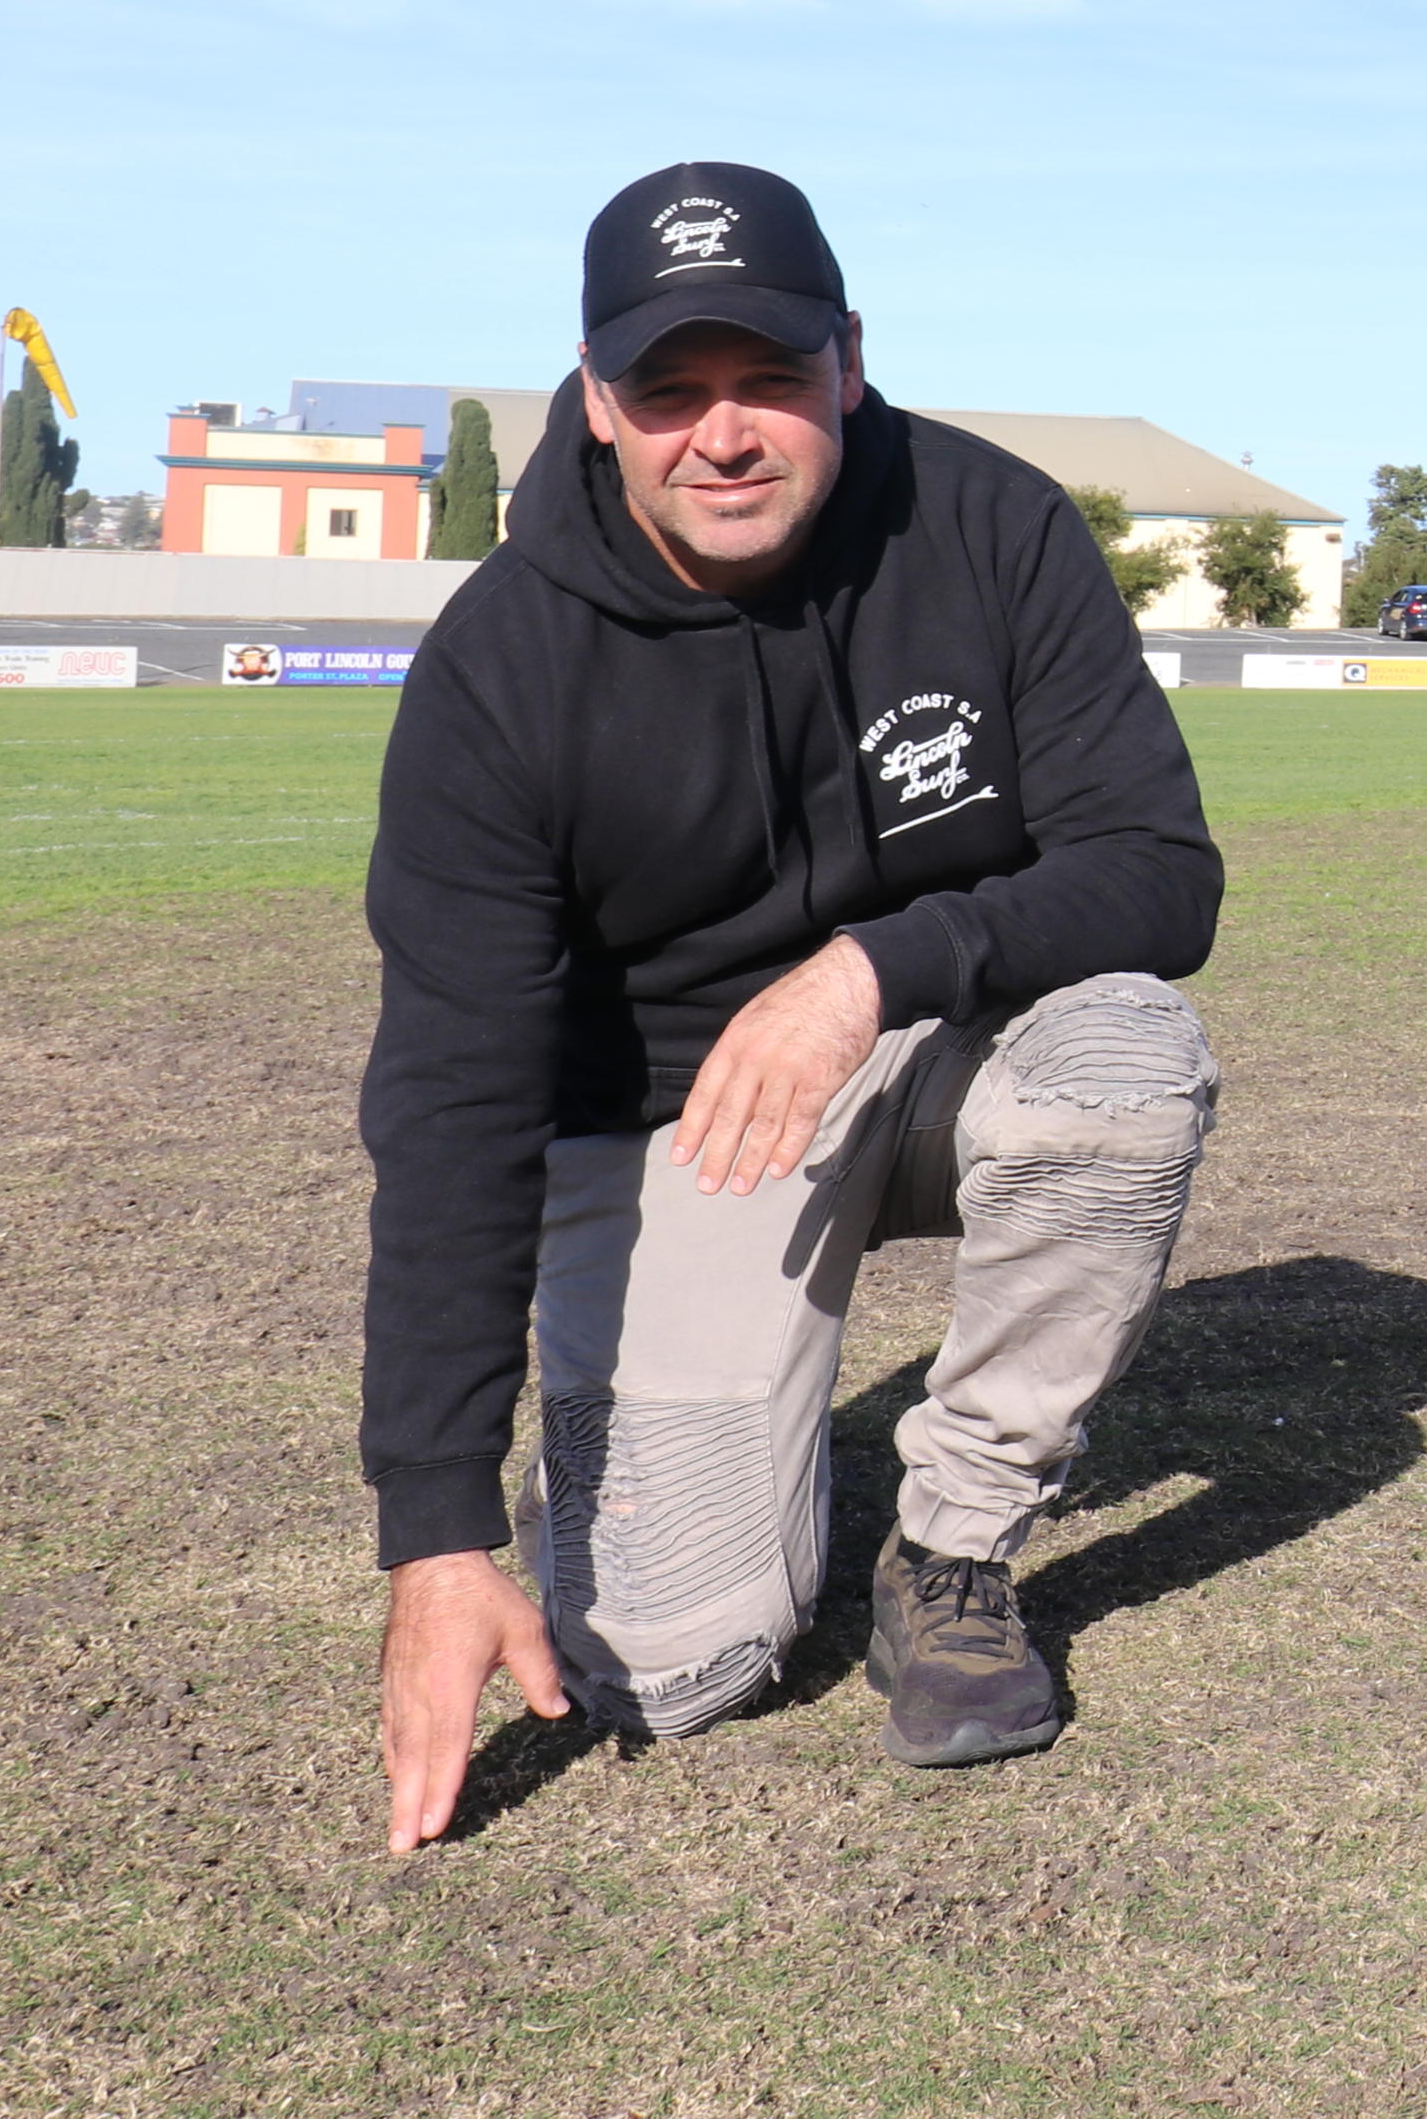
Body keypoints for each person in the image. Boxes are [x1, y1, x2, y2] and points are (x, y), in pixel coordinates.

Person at [359, 161, 1226, 1851]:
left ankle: (956, 1549)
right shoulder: (501, 661)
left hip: (937, 1057)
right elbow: (454, 1096)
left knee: (1126, 1050)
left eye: (766, 376)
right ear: (600, 403)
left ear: (846, 357)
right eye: (671, 391)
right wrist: (434, 1530)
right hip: (679, 1119)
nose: (725, 433)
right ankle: (640, 1473)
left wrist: (870, 969)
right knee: (671, 1668)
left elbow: (1159, 873)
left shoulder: (989, 521)